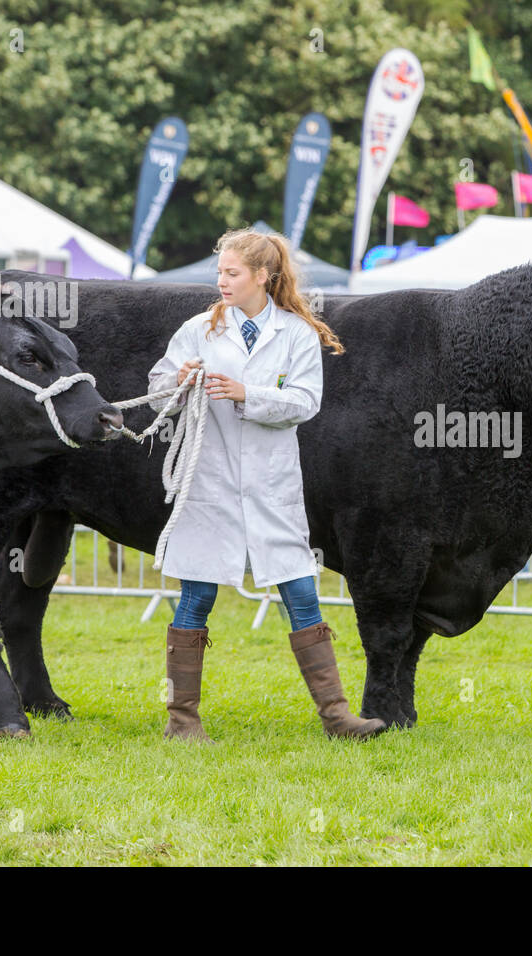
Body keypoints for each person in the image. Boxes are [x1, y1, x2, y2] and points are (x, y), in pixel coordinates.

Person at [146, 227, 383, 742]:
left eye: (231, 273)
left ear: (261, 275)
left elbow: (305, 402)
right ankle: (181, 721)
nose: (222, 281)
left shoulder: (296, 334)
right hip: (208, 485)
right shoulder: (197, 330)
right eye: (219, 272)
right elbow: (156, 388)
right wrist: (177, 380)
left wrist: (245, 393)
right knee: (196, 597)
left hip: (272, 488)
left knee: (302, 591)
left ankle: (337, 717)